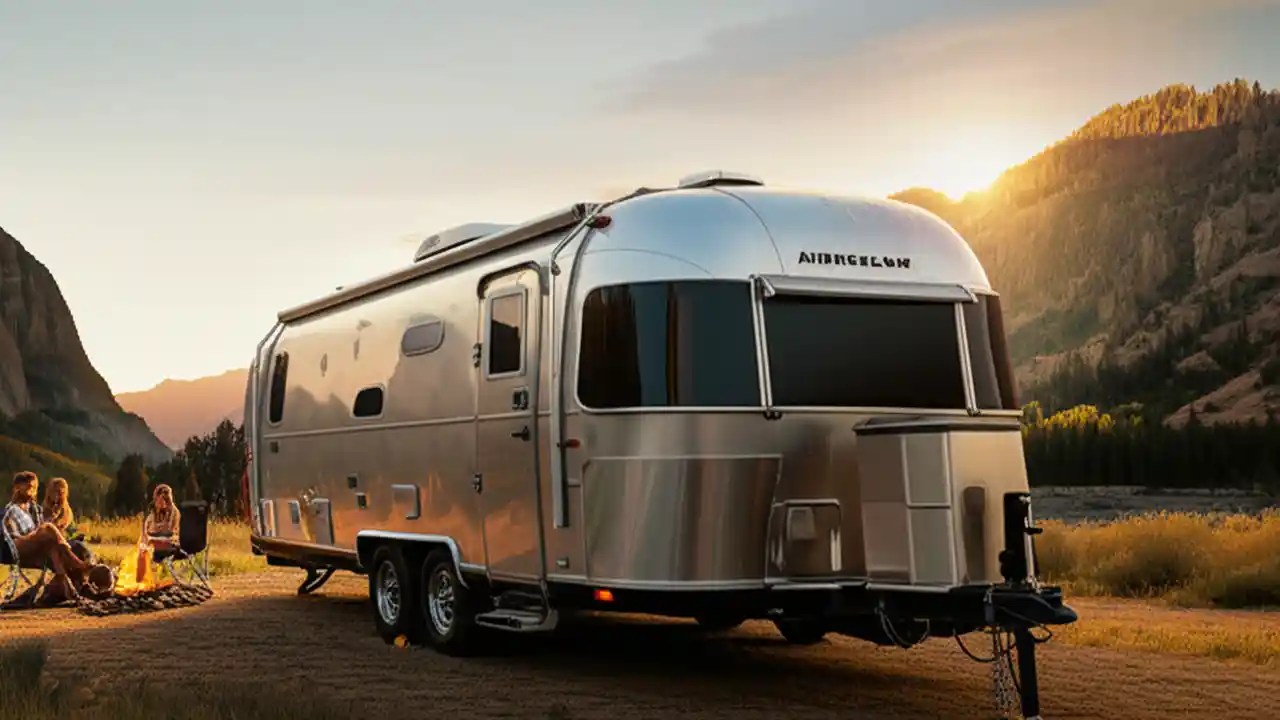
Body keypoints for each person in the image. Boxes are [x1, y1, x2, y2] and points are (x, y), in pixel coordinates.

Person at [2, 471, 91, 606]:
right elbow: (8, 538)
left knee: (52, 547)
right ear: (17, 488)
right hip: (17, 545)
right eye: (28, 487)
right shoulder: (10, 510)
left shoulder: (35, 510)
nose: (31, 491)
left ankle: (68, 587)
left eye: (34, 488)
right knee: (48, 528)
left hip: (36, 544)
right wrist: (37, 534)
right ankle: (77, 563)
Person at [41, 477, 94, 564]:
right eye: (55, 491)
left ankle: (91, 564)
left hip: (66, 539)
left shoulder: (65, 509)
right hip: (54, 542)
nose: (57, 495)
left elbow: (69, 528)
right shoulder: (45, 508)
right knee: (79, 546)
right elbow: (45, 527)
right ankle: (87, 565)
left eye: (61, 492)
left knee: (81, 546)